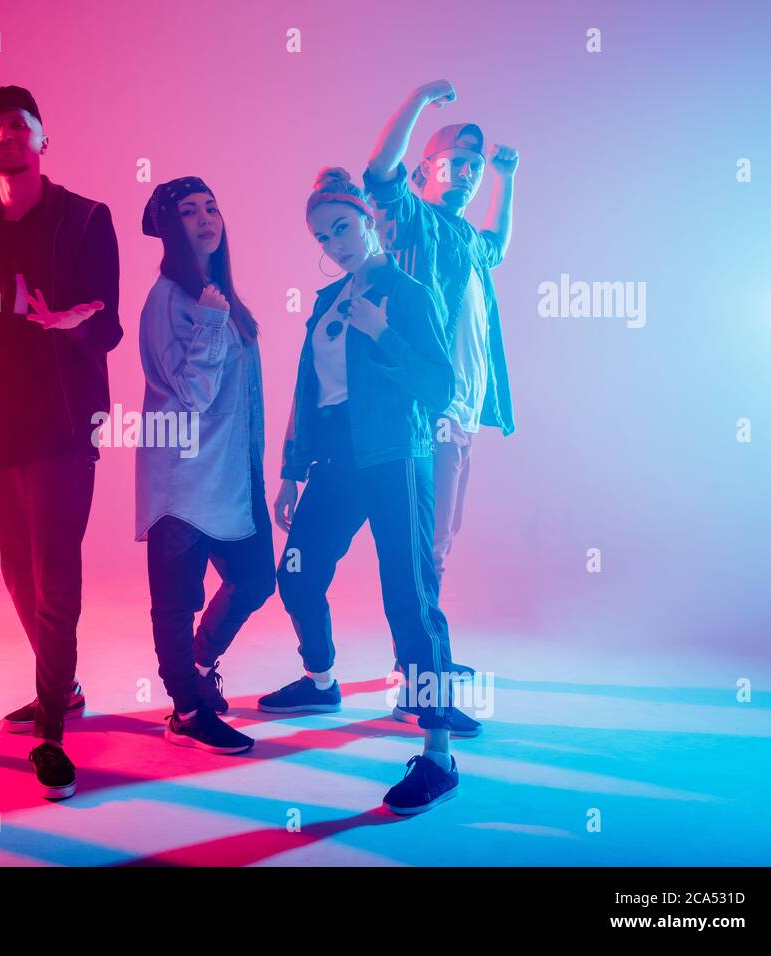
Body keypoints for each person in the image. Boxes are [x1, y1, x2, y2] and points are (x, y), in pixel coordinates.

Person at [256, 167, 472, 814]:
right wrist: (291, 471)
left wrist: (381, 331)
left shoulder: (407, 292)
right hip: (334, 462)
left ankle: (438, 752)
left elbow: (440, 387)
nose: (335, 243)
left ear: (370, 221)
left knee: (409, 595)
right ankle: (322, 679)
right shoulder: (327, 301)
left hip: (396, 456)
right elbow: (309, 391)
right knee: (297, 574)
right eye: (323, 236)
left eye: (343, 227)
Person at [0, 86, 122, 800]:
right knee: (14, 563)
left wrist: (72, 323)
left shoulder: (87, 217)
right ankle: (62, 687)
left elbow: (109, 326)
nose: (6, 136)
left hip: (63, 422)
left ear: (43, 139)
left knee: (56, 571)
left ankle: (51, 736)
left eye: (18, 125)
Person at [365, 81, 518, 687]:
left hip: (463, 414)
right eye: (455, 162)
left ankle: (423, 652)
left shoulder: (464, 238)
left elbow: (497, 246)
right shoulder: (414, 222)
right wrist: (420, 99)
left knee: (439, 540)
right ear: (425, 167)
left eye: (474, 167)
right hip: (428, 412)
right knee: (424, 543)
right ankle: (419, 667)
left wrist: (505, 179)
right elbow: (380, 173)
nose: (467, 173)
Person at [135, 177, 275, 755]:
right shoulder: (166, 299)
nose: (206, 218)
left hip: (234, 475)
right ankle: (187, 711)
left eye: (212, 208)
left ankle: (198, 663)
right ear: (171, 228)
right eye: (189, 211)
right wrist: (213, 325)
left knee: (257, 578)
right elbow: (190, 395)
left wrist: (261, 466)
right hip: (184, 479)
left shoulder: (220, 295)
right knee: (176, 600)